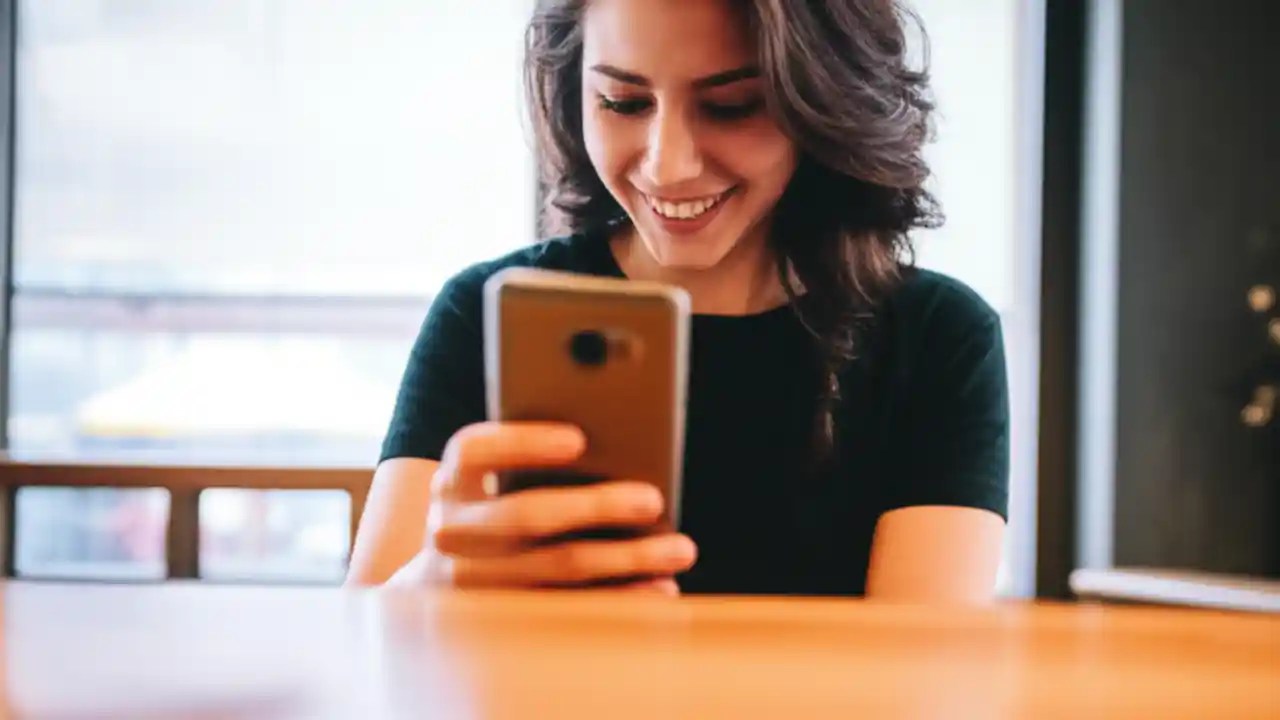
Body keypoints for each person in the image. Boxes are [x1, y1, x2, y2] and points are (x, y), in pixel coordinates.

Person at [346, 0, 1008, 602]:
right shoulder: (483, 314)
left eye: (733, 105)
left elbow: (924, 670)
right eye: (623, 102)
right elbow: (363, 639)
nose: (668, 166)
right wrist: (429, 585)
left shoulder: (936, 339)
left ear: (826, 101)